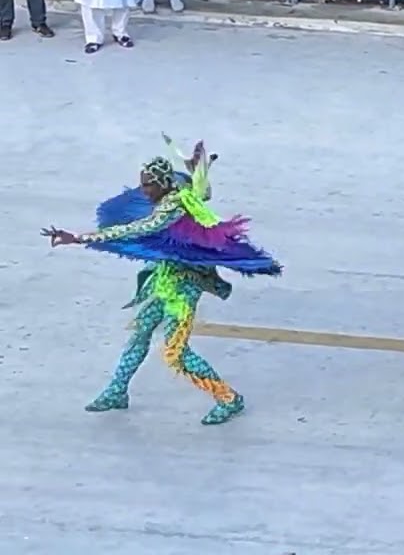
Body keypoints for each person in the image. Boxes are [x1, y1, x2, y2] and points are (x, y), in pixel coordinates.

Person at [40, 138, 282, 425]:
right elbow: (202, 191)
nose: (143, 190)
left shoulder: (171, 209)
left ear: (162, 184)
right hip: (167, 278)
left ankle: (228, 398)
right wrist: (197, 171)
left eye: (148, 185)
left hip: (183, 289)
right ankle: (117, 391)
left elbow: (136, 228)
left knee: (174, 353)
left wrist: (79, 238)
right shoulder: (181, 189)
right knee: (142, 330)